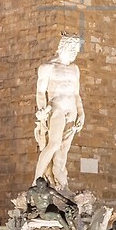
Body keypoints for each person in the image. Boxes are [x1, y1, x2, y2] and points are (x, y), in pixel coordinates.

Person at [33, 33, 85, 190]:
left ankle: (60, 185)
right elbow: (41, 93)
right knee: (54, 144)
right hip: (57, 107)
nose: (75, 54)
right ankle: (36, 180)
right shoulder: (48, 68)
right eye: (74, 50)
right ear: (66, 47)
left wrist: (81, 113)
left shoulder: (75, 69)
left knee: (63, 151)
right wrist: (42, 109)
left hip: (72, 110)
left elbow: (76, 94)